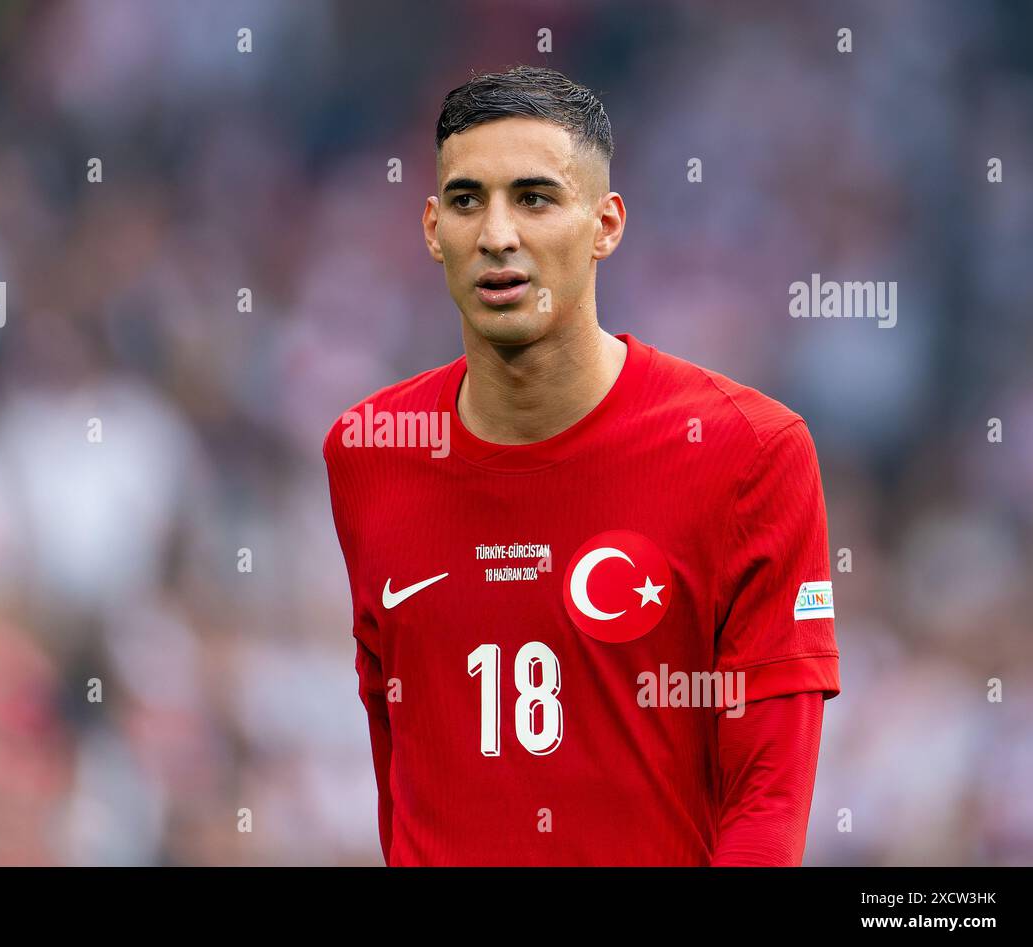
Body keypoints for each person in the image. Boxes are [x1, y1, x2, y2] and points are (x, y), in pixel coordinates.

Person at [322, 65, 839, 865]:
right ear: (432, 229)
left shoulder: (750, 452)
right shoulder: (366, 451)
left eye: (534, 198)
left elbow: (768, 802)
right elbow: (398, 751)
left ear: (606, 224)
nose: (497, 234)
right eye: (467, 201)